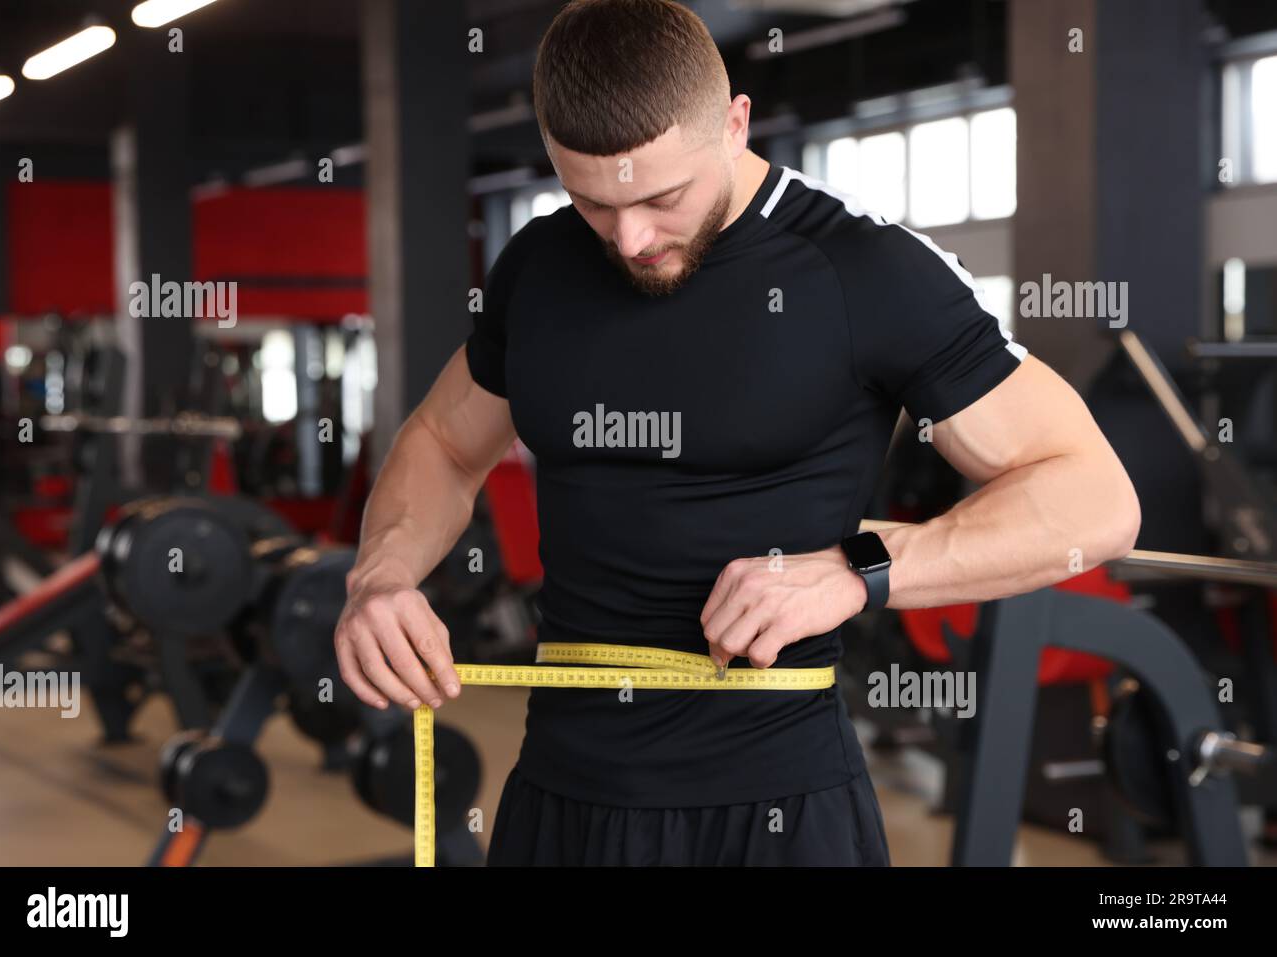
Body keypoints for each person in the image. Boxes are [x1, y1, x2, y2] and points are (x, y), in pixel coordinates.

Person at [334, 0, 1141, 866]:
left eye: (661, 197)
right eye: (593, 202)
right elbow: (446, 445)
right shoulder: (538, 265)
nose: (631, 237)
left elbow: (1096, 497)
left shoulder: (864, 270)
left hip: (777, 810)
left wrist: (860, 570)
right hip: (560, 800)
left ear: (734, 122)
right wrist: (380, 577)